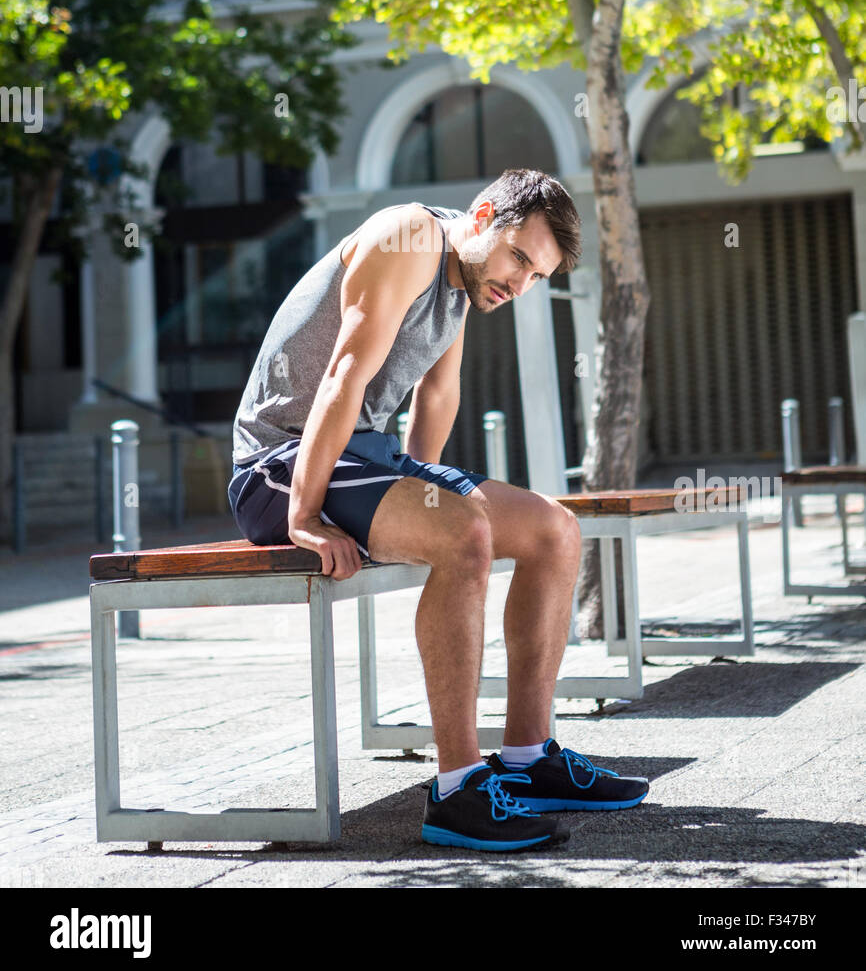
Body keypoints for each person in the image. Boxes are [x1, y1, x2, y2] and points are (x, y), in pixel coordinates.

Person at [228, 167, 648, 851]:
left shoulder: (463, 280)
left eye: (535, 277)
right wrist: (304, 517)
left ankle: (526, 758)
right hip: (281, 463)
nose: (518, 285)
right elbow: (343, 374)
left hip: (363, 459)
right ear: (482, 216)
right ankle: (457, 791)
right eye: (518, 259)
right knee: (465, 534)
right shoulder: (408, 237)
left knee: (554, 530)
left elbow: (438, 396)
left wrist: (426, 497)